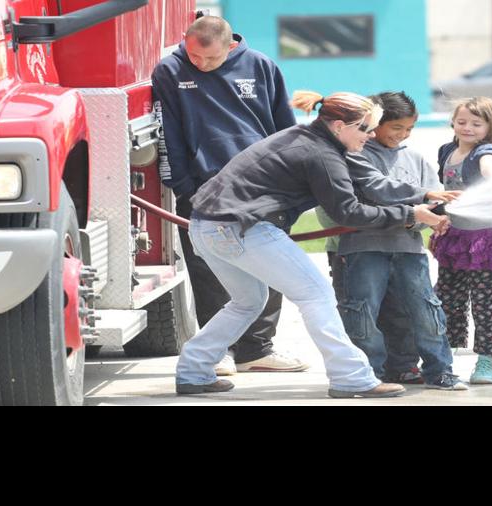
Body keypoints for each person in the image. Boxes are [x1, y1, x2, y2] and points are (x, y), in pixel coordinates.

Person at [173, 90, 448, 397]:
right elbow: (349, 212)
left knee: (248, 301)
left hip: (205, 227)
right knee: (316, 294)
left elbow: (369, 181)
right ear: (340, 125)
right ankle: (352, 378)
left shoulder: (309, 138)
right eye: (365, 129)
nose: (371, 136)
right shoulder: (321, 154)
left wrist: (422, 196)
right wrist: (410, 214)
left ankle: (194, 371)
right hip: (242, 227)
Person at [152, 15, 307, 374]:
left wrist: (289, 182)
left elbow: (285, 129)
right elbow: (169, 135)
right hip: (203, 188)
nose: (201, 65)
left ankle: (258, 348)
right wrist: (184, 187)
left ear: (231, 46)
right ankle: (221, 349)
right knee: (209, 268)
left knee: (270, 263)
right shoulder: (171, 70)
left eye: (210, 59)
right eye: (194, 56)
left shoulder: (261, 66)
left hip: (262, 187)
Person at [336, 91, 466, 390]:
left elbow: (434, 199)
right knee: (362, 312)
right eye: (397, 127)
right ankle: (368, 373)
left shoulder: (415, 158)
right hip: (363, 249)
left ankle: (440, 370)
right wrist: (423, 199)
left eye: (408, 129)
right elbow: (379, 190)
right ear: (375, 123)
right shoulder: (354, 154)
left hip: (409, 249)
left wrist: (434, 213)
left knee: (425, 309)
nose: (403, 135)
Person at [431, 96, 492, 384]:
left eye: (477, 124)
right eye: (462, 122)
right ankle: (445, 356)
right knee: (448, 298)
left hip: (484, 238)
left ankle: (487, 361)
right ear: (453, 122)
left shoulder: (486, 152)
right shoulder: (446, 150)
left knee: (485, 300)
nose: (468, 128)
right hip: (454, 236)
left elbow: (491, 172)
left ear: (491, 127)